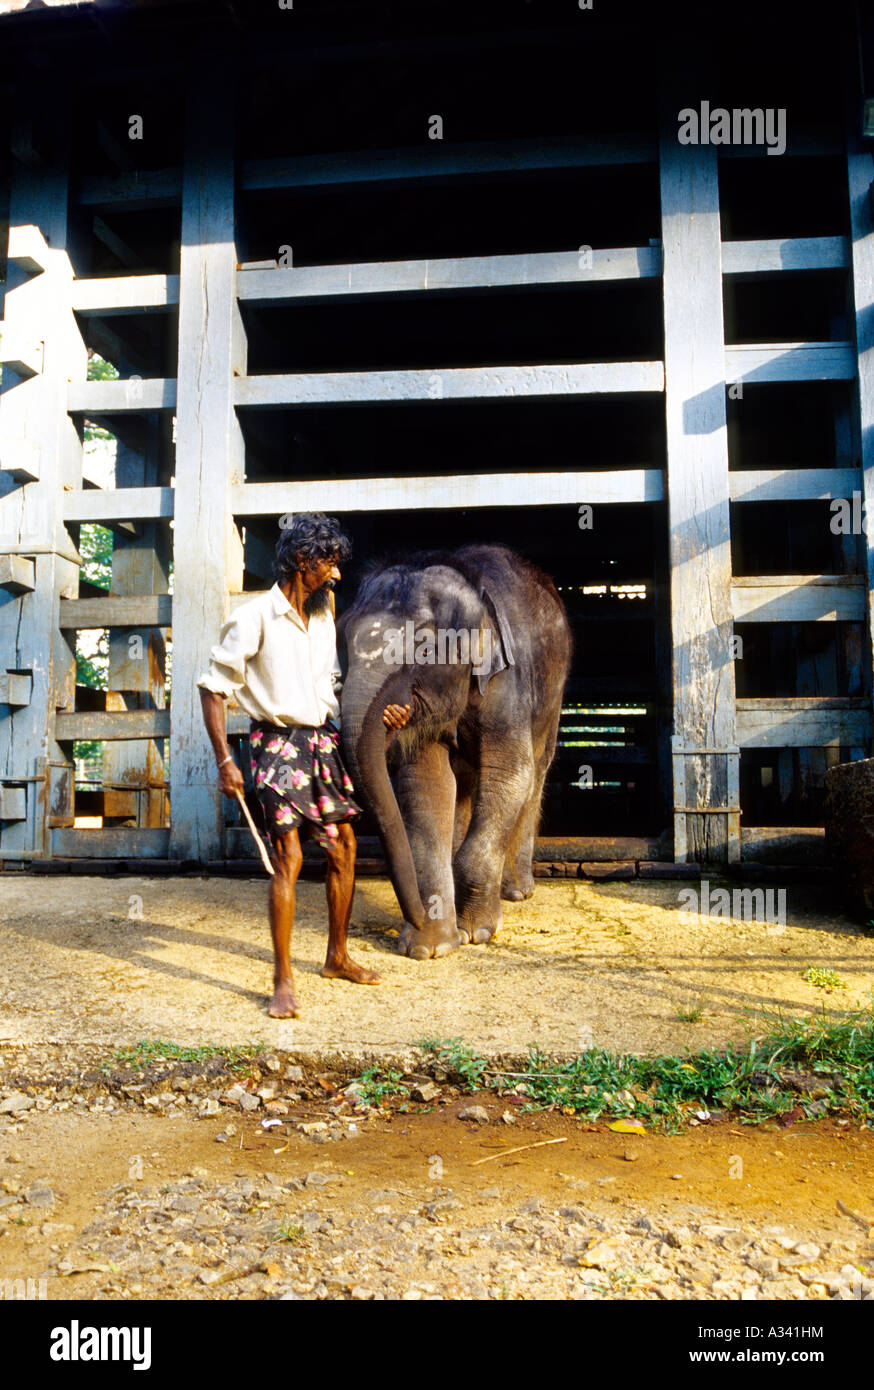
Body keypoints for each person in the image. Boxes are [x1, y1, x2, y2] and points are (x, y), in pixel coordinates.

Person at [197, 512, 410, 1018]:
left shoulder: (322, 615)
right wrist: (226, 762)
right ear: (300, 560)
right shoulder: (251, 618)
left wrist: (383, 718)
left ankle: (336, 957)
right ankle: (282, 979)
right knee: (288, 857)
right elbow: (212, 688)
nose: (336, 575)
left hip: (322, 743)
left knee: (344, 847)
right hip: (276, 745)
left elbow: (331, 690)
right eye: (329, 564)